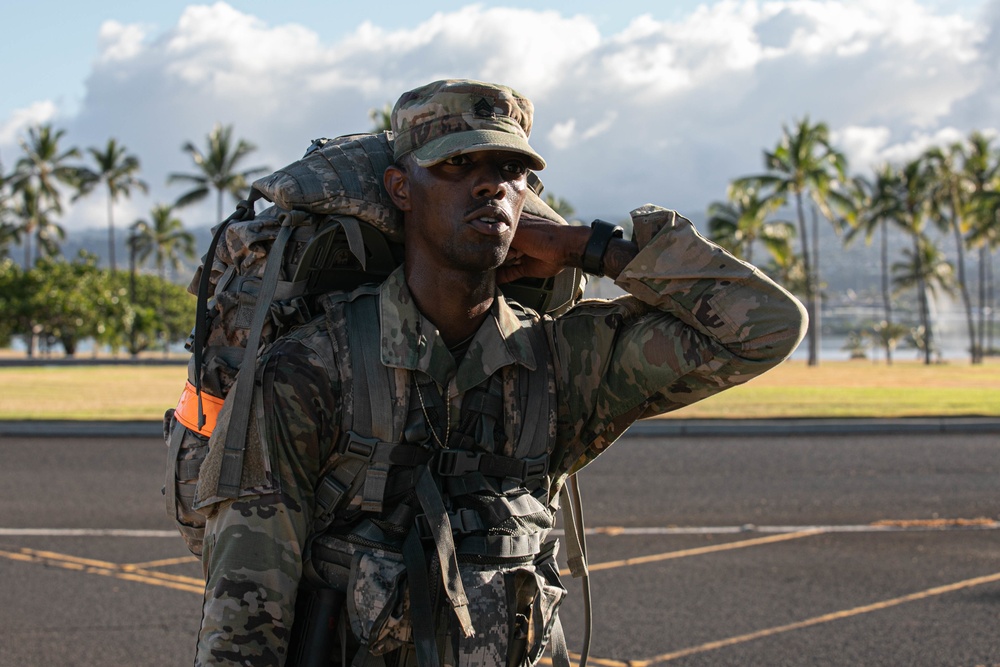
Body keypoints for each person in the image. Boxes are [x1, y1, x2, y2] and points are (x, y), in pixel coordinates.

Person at [193, 78, 807, 667]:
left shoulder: (564, 361)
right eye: (457, 167)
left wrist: (589, 247)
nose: (491, 188)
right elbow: (246, 610)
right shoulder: (311, 370)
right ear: (400, 188)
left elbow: (765, 328)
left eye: (511, 172)